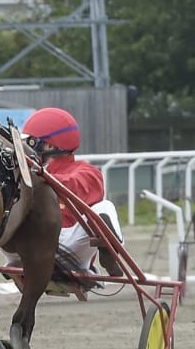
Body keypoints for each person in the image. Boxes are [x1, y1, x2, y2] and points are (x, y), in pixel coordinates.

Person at [20, 107, 121, 275]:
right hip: (31, 241)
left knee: (105, 207)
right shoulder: (29, 174)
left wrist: (42, 177)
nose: (25, 149)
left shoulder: (87, 171)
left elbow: (75, 186)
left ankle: (109, 253)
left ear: (49, 145)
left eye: (29, 143)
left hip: (69, 245)